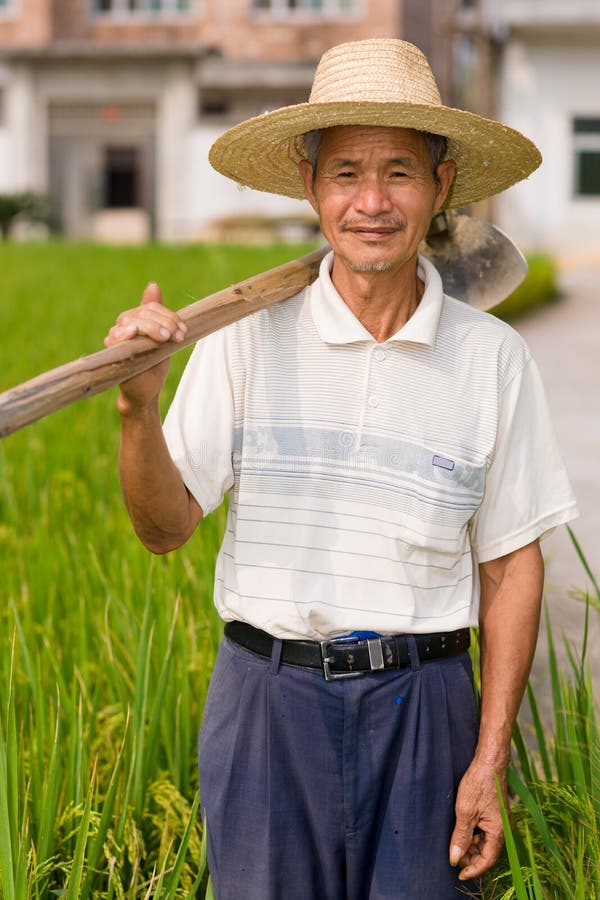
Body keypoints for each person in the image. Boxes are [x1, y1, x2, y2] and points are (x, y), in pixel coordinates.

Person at [104, 39, 578, 900]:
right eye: (346, 172)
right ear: (309, 184)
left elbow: (512, 566)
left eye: (398, 172)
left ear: (441, 186)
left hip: (427, 707)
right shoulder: (242, 338)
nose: (371, 202)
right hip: (267, 705)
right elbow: (164, 528)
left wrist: (489, 758)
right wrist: (139, 409)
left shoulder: (492, 359)